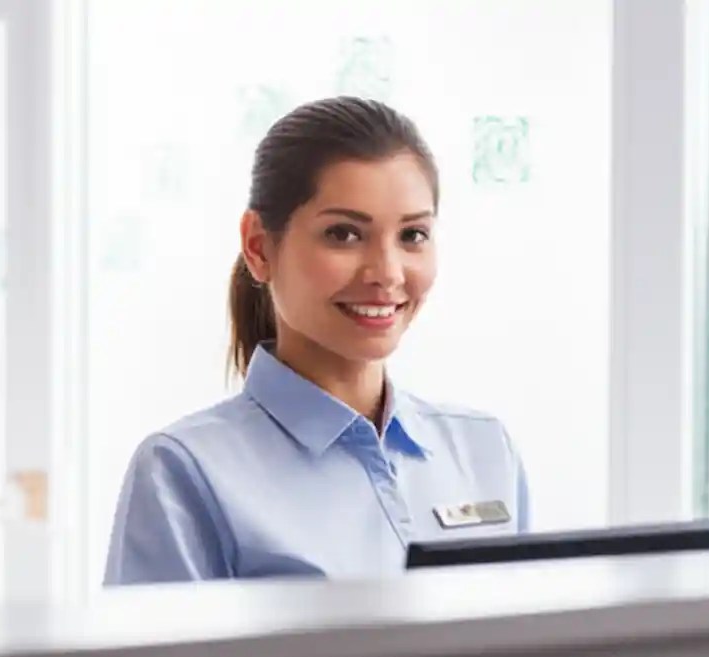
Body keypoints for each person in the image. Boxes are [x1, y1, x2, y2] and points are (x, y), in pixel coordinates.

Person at [104, 97, 530, 585]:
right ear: (259, 247)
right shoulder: (183, 471)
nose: (387, 274)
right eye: (344, 234)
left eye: (413, 235)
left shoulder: (485, 450)